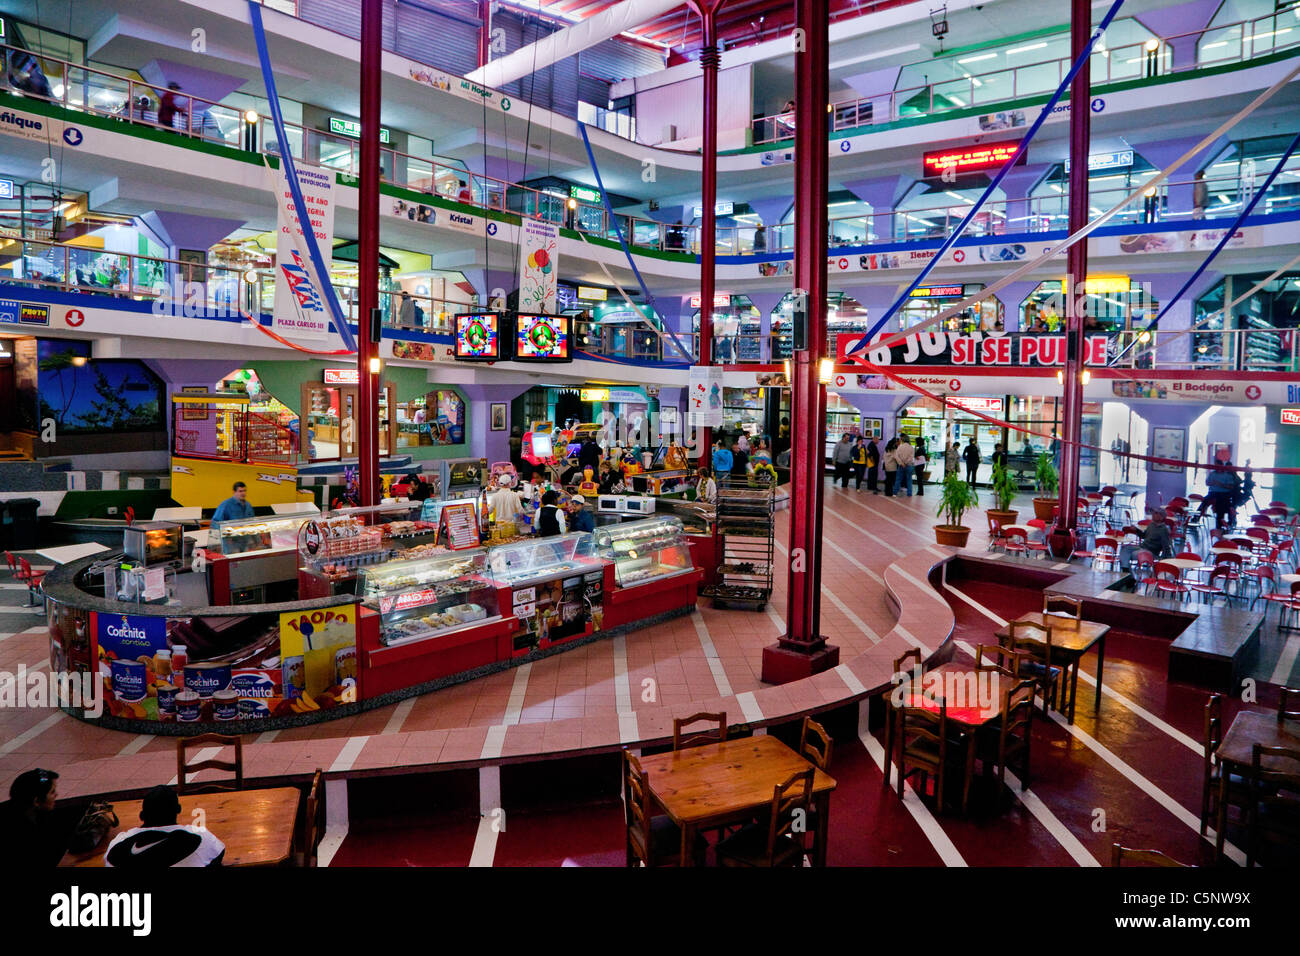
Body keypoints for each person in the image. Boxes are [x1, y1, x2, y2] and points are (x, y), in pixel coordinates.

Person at [104, 785, 225, 868]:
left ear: (142, 815)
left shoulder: (116, 845)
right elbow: (219, 853)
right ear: (178, 810)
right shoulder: (201, 837)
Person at [2, 768, 66, 867]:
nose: (56, 795)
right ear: (36, 801)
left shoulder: (36, 813)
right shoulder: (16, 832)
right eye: (52, 792)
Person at [1203, 460, 1241, 531]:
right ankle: (1195, 518)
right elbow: (1207, 483)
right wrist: (1212, 483)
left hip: (1224, 494)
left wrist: (1220, 484)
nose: (1216, 468)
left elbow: (1230, 487)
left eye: (1217, 466)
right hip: (1213, 492)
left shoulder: (1228, 475)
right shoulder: (1212, 474)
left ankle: (1222, 525)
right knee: (1204, 501)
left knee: (1221, 507)